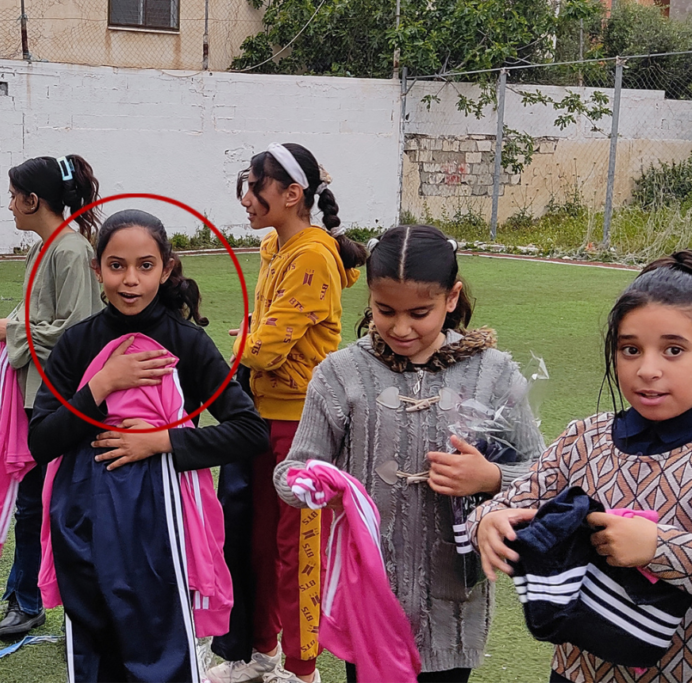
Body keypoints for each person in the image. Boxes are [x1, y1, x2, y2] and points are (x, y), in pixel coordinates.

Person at [273, 224, 545, 683]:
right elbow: (290, 472)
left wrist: (491, 479)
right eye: (385, 311)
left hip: (454, 599)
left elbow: (544, 475)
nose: (401, 328)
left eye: (420, 312)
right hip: (370, 595)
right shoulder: (340, 374)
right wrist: (312, 482)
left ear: (452, 298)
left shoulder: (493, 374)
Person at [28, 209, 269, 682]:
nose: (130, 280)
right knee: (94, 637)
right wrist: (100, 387)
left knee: (159, 640)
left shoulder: (188, 343)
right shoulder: (79, 345)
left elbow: (250, 430)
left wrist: (161, 441)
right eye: (116, 266)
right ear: (97, 270)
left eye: (144, 265)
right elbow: (40, 440)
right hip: (82, 516)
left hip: (162, 519)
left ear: (166, 268)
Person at [473, 251, 692, 683]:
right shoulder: (586, 439)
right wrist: (488, 519)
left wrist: (658, 547)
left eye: (674, 350)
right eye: (631, 349)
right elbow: (512, 501)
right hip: (577, 670)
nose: (647, 370)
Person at [209, 143, 366, 683]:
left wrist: (238, 348)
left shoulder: (312, 255)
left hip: (304, 423)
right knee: (253, 538)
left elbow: (267, 347)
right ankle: (260, 653)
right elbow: (265, 334)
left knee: (296, 549)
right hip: (262, 414)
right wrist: (251, 342)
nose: (247, 198)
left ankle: (302, 671)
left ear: (292, 195)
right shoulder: (276, 244)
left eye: (256, 186)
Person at [0, 154, 102, 639]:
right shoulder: (46, 249)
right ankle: (28, 598)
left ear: (34, 200)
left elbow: (78, 331)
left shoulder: (71, 251)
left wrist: (11, 331)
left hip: (61, 400)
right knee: (32, 504)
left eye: (14, 196)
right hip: (35, 398)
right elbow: (29, 318)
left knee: (61, 505)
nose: (10, 205)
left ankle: (71, 611)